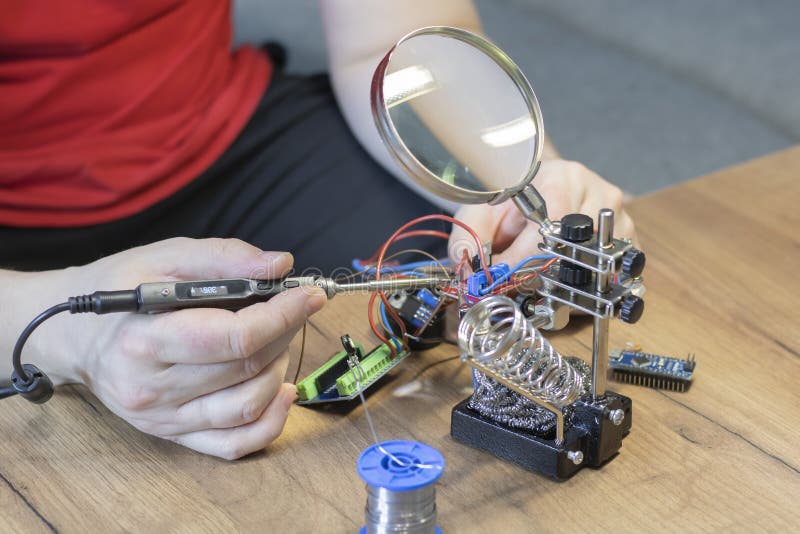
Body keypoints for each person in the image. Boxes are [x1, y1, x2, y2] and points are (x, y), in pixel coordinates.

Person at [0, 1, 635, 459]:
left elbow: (390, 40)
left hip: (226, 131)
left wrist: (530, 184)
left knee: (488, 281)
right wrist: (58, 328)